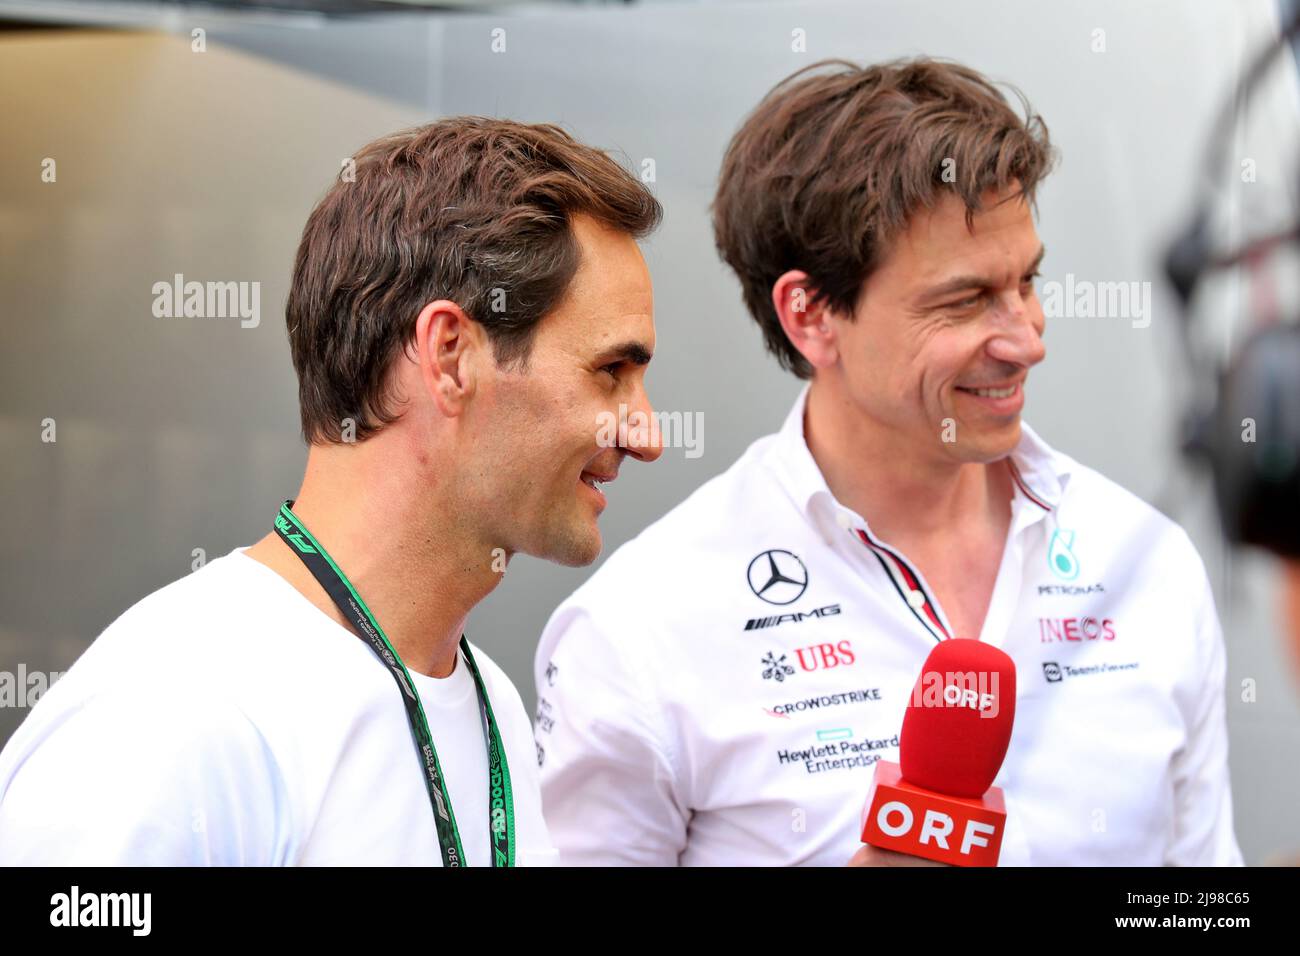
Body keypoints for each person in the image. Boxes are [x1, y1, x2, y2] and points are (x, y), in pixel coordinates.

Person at [532, 57, 1244, 866]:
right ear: (811, 317)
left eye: (1028, 282)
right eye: (966, 299)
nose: (1026, 339)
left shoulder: (1150, 566)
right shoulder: (640, 631)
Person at [0, 117, 663, 865]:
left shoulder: (490, 708)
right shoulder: (180, 715)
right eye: (611, 372)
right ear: (450, 357)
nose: (647, 434)